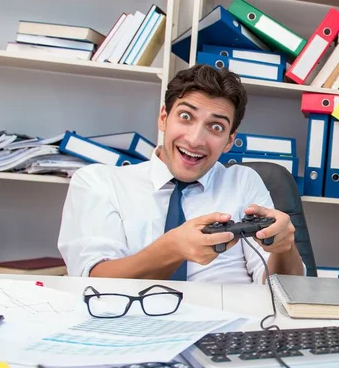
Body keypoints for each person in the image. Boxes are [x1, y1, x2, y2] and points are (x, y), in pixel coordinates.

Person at [58, 64, 306, 283]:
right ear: (164, 118)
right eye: (186, 116)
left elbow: (282, 291)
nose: (195, 139)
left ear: (229, 141)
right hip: (133, 325)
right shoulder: (97, 182)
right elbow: (92, 282)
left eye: (216, 126)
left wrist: (284, 248)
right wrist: (172, 249)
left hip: (232, 326)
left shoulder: (244, 182)